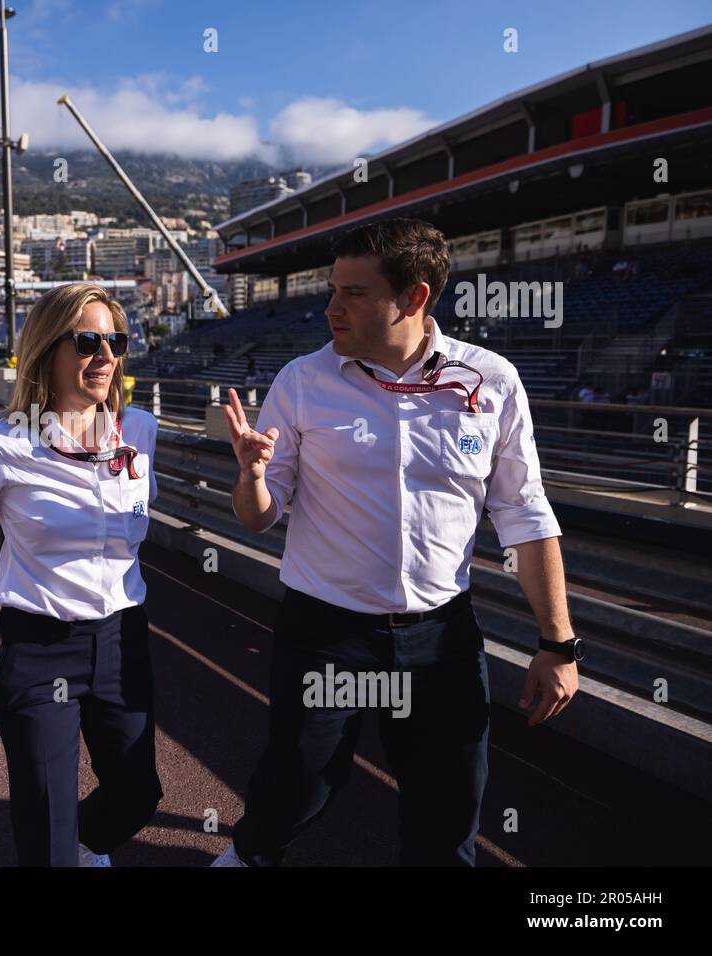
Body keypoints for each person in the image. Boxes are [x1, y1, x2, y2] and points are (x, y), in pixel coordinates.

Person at [214, 218, 578, 867]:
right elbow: (257, 518)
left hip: (441, 636)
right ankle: (250, 854)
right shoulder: (303, 382)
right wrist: (251, 475)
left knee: (447, 807)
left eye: (354, 292)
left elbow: (523, 512)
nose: (331, 307)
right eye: (332, 289)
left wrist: (557, 643)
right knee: (302, 781)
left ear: (414, 298)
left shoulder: (490, 382)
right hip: (329, 632)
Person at [0, 283, 162, 867]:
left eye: (115, 341)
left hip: (122, 640)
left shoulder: (138, 431)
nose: (106, 355)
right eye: (88, 340)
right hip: (38, 649)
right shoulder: (1, 445)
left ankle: (84, 848)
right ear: (48, 348)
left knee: (140, 795)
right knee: (46, 834)